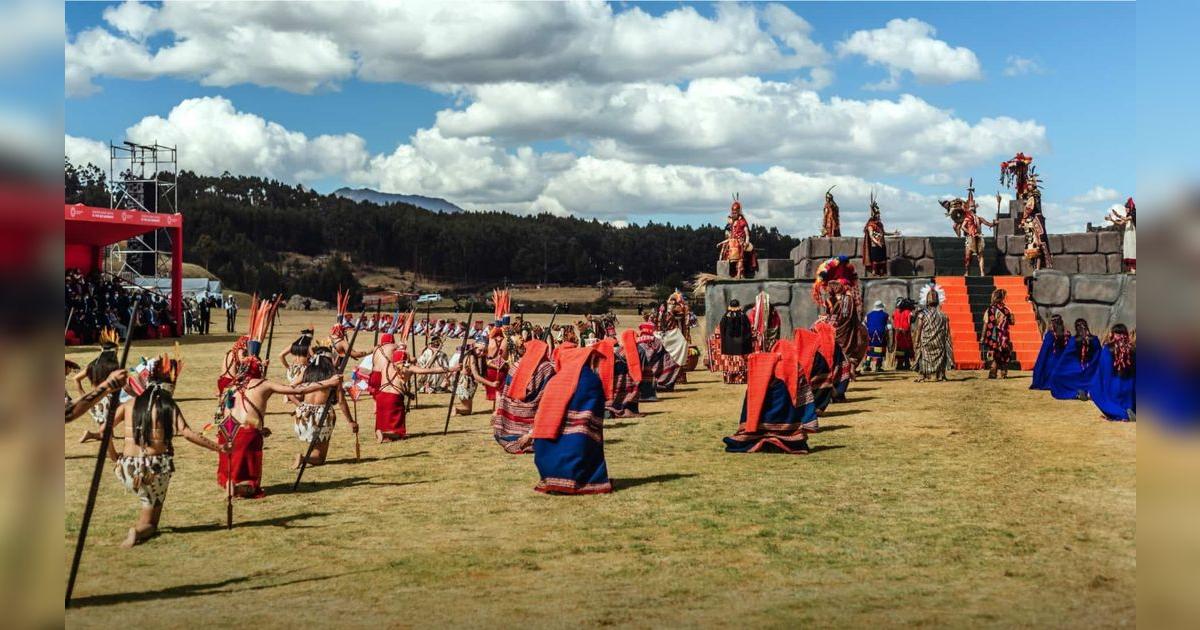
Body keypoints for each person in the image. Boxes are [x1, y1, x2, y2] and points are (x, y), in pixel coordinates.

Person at [106, 355, 225, 547]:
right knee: (151, 523)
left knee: (149, 503)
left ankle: (142, 524)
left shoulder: (129, 404)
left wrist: (114, 456)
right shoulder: (167, 404)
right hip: (153, 469)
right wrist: (219, 448)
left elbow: (105, 430)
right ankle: (137, 531)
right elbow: (187, 433)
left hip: (125, 468)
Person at [216, 355, 340, 498]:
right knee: (250, 481)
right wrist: (328, 382)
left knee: (233, 470)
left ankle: (232, 484)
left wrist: (259, 429)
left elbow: (229, 413)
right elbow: (297, 390)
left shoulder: (230, 387)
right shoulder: (263, 384)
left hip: (225, 433)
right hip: (246, 434)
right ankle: (237, 488)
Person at [529, 346, 613, 494]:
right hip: (575, 447)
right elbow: (594, 409)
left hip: (546, 450)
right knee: (585, 435)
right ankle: (578, 477)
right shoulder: (590, 379)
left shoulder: (554, 380)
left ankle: (553, 479)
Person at [723, 339, 814, 454]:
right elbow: (796, 405)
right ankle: (778, 439)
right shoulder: (789, 375)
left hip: (758, 427)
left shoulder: (757, 380)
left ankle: (760, 437)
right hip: (785, 427)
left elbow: (748, 408)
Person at [291, 347, 357, 467]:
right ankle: (303, 458)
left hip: (302, 416)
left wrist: (299, 404)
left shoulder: (307, 371)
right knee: (320, 458)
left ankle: (306, 456)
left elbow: (290, 387)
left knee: (316, 447)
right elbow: (341, 401)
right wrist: (351, 421)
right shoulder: (333, 375)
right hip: (321, 416)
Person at [376, 346, 456, 442]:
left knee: (384, 423)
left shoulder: (386, 366)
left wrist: (407, 393)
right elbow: (430, 371)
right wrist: (452, 368)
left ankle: (383, 434)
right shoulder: (408, 368)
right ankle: (385, 434)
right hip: (394, 398)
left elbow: (388, 383)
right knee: (398, 431)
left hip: (381, 396)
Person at [492, 339, 554, 453]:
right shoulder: (547, 368)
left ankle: (514, 435)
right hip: (532, 417)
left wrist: (498, 411)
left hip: (512, 415)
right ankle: (529, 437)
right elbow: (547, 394)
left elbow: (506, 391)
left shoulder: (516, 365)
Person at [1089, 324, 1135, 421]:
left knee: (1098, 393)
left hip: (1114, 388)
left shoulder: (1107, 349)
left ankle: (1124, 414)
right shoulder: (1132, 349)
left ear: (1113, 334)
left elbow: (1104, 372)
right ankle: (1129, 411)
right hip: (1129, 389)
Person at [1049, 319, 1101, 401]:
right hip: (1091, 370)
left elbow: (1065, 358)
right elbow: (1098, 356)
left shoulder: (1073, 340)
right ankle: (1089, 392)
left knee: (1056, 377)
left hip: (1076, 369)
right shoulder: (1094, 339)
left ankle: (1075, 393)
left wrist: (1057, 370)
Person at [913, 284, 953, 382]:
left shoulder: (922, 314)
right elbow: (947, 331)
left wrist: (917, 341)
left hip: (926, 343)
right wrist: (947, 342)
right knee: (941, 357)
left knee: (923, 357)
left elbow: (919, 329)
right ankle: (941, 375)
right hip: (939, 343)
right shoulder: (943, 315)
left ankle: (922, 376)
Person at [636, 322, 681, 396]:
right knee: (672, 362)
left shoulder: (637, 339)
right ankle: (662, 384)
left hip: (641, 363)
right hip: (654, 363)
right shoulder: (654, 339)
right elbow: (660, 349)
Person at [715, 299, 752, 384]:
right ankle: (741, 379)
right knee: (741, 362)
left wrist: (725, 339)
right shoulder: (743, 316)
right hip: (741, 347)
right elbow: (748, 329)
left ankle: (729, 379)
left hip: (729, 346)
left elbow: (722, 329)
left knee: (729, 362)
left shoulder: (726, 316)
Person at [861, 194, 898, 276]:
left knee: (883, 263)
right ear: (875, 216)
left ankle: (882, 276)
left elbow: (883, 233)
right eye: (878, 215)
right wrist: (877, 242)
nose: (879, 216)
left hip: (882, 245)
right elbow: (871, 236)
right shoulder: (871, 225)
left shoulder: (880, 224)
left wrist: (893, 233)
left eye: (879, 215)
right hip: (875, 246)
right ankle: (875, 276)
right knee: (876, 263)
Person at [1030, 315, 1069, 390]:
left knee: (1047, 365)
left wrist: (1039, 367)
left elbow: (1044, 352)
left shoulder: (1050, 335)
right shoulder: (1067, 334)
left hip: (1051, 364)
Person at [982, 289, 1014, 379]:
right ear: (1002, 298)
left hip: (993, 336)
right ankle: (1004, 374)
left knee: (994, 355)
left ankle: (993, 373)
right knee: (1004, 355)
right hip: (1004, 337)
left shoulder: (989, 310)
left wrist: (982, 337)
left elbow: (985, 324)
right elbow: (1012, 322)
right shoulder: (1007, 310)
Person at [720, 196, 755, 279]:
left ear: (738, 212)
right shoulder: (733, 223)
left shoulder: (742, 222)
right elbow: (731, 234)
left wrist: (746, 242)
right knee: (727, 254)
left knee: (740, 257)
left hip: (740, 243)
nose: (733, 214)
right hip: (733, 243)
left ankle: (740, 273)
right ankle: (733, 273)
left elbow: (747, 234)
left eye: (735, 213)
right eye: (732, 212)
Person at [961, 203, 995, 277]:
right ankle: (967, 272)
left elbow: (989, 224)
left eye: (973, 209)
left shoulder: (979, 219)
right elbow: (963, 227)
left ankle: (982, 272)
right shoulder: (967, 218)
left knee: (980, 256)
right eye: (971, 209)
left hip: (978, 237)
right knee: (968, 257)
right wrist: (969, 232)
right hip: (970, 238)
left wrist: (994, 223)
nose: (972, 210)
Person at [1109, 197, 1136, 274]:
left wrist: (1117, 215)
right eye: (1125, 208)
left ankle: (1134, 272)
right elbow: (1121, 223)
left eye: (1127, 208)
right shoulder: (1128, 215)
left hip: (1133, 237)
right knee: (1129, 251)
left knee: (1133, 252)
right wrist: (1111, 220)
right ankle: (1132, 272)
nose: (1126, 209)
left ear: (1130, 208)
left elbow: (1127, 219)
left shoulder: (1134, 214)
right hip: (1128, 237)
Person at [863, 301, 890, 373]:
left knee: (870, 348)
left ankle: (867, 365)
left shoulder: (868, 315)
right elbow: (888, 327)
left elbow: (864, 324)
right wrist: (888, 336)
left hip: (870, 333)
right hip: (880, 333)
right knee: (879, 349)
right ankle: (878, 365)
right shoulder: (886, 315)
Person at [892, 297, 915, 371]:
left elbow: (893, 318)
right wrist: (917, 313)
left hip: (897, 333)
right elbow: (912, 320)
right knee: (907, 348)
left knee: (899, 348)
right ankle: (907, 363)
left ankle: (899, 364)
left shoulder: (895, 312)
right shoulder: (908, 312)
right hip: (906, 333)